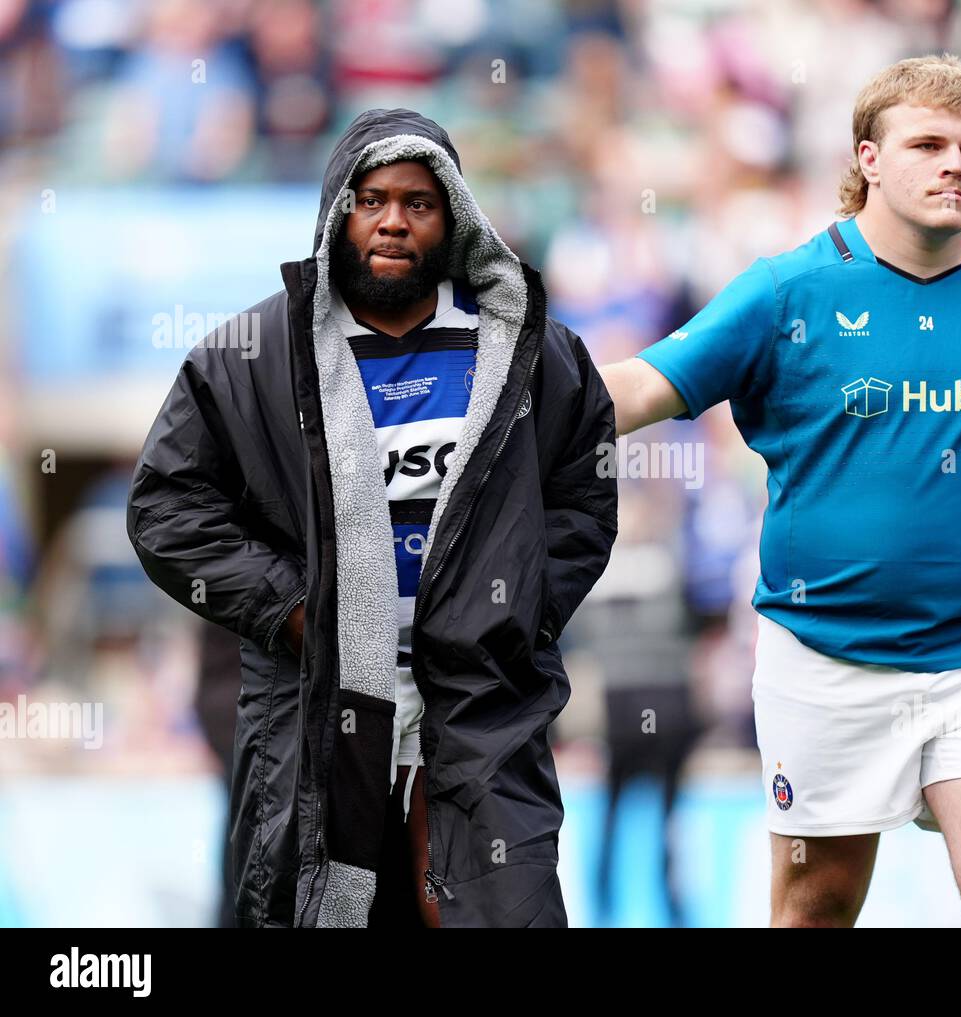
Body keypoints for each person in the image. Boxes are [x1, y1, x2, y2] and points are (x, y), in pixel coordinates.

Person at [598, 54, 961, 928]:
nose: (954, 165)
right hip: (823, 655)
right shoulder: (786, 292)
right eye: (928, 143)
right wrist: (510, 404)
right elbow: (639, 389)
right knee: (817, 902)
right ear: (868, 159)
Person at [127, 108, 618, 927]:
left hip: (479, 714)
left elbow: (584, 497)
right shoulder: (248, 356)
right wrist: (292, 612)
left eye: (418, 202)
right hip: (312, 720)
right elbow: (165, 507)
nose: (392, 219)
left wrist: (513, 610)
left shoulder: (532, 350)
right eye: (371, 199)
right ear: (337, 212)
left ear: (453, 214)